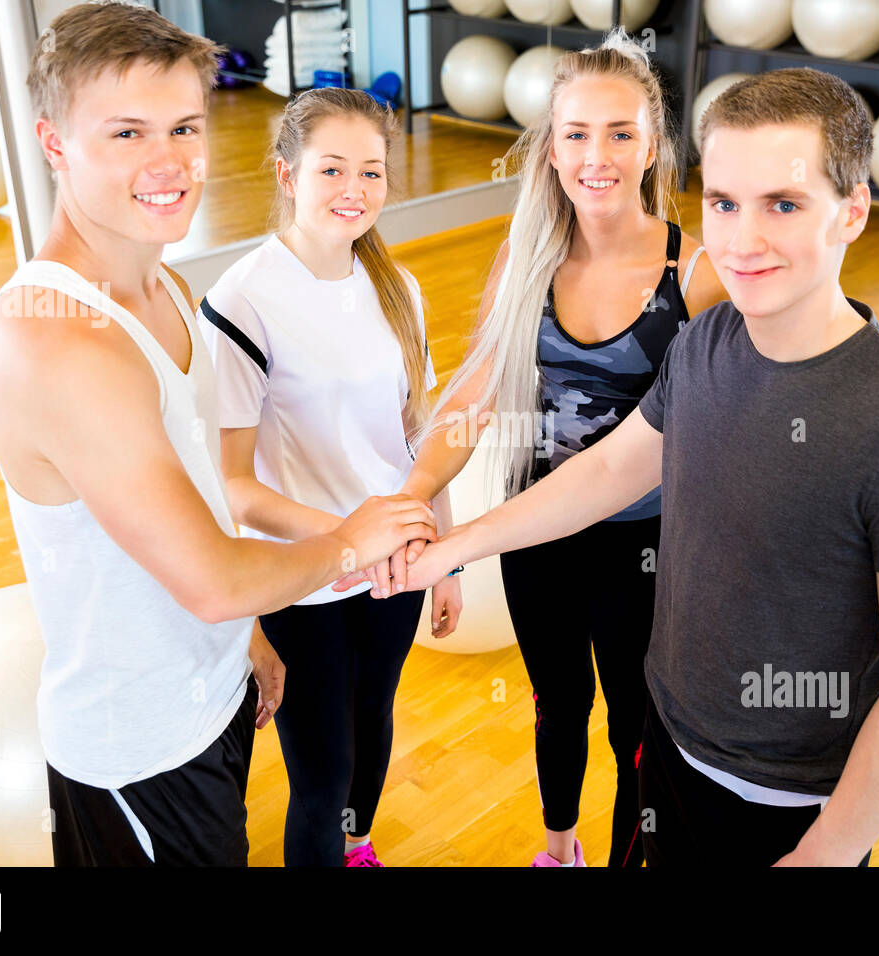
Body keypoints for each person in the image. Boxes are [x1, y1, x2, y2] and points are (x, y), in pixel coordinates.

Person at [381, 66, 879, 867]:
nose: (743, 239)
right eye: (726, 203)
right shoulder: (706, 347)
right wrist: (446, 542)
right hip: (671, 751)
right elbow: (604, 473)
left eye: (784, 203)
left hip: (784, 804)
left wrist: (829, 854)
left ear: (853, 210)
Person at [0, 2, 435, 867]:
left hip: (211, 696)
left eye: (185, 126)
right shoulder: (61, 341)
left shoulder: (165, 290)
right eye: (126, 133)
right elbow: (216, 580)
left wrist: (245, 643)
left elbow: (197, 507)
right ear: (52, 140)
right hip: (140, 750)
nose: (169, 161)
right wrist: (350, 539)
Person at [343, 29, 723, 868]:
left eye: (621, 133)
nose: (599, 155)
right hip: (537, 532)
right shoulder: (525, 258)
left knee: (634, 722)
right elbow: (473, 395)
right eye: (578, 134)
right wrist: (413, 500)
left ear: (652, 144)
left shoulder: (693, 274)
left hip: (648, 545)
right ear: (552, 148)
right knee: (557, 702)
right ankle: (559, 852)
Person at [196, 87, 461, 868]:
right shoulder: (240, 303)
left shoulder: (398, 288)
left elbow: (421, 434)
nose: (355, 191)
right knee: (323, 772)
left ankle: (358, 848)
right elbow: (233, 488)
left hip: (395, 567)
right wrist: (349, 540)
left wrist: (442, 554)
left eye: (372, 173)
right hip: (302, 579)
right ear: (287, 175)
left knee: (373, 722)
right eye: (332, 170)